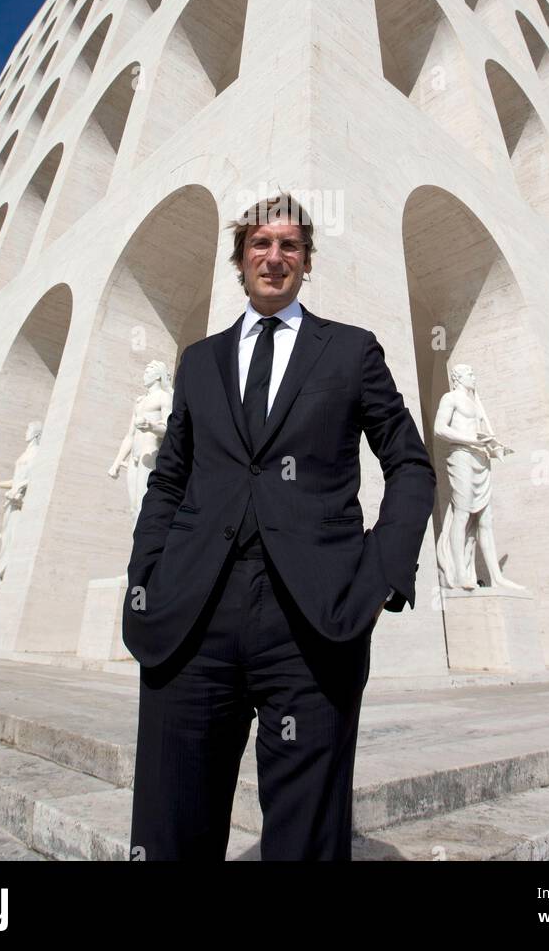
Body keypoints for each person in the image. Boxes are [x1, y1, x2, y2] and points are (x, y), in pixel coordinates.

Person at [123, 191, 435, 861]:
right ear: (240, 261)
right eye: (260, 244)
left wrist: (380, 573)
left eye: (289, 245)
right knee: (170, 826)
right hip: (192, 616)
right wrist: (146, 574)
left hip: (312, 622)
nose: (275, 256)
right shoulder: (199, 361)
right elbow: (169, 478)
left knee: (306, 839)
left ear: (306, 261)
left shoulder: (350, 352)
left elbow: (409, 463)